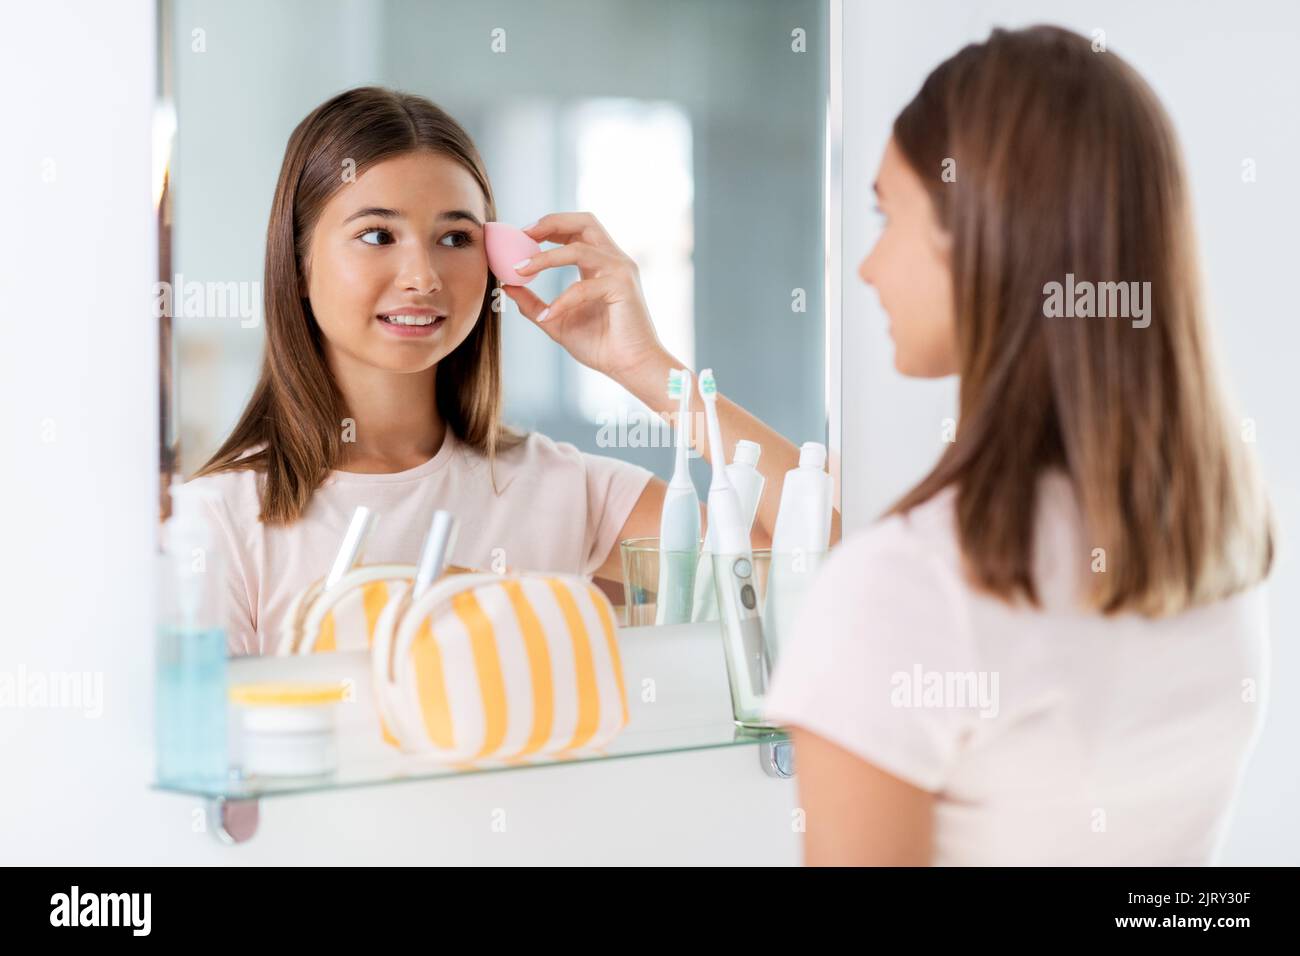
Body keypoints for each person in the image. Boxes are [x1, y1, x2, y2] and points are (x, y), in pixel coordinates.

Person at [764, 26, 1274, 866]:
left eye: (887, 216)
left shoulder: (908, 588)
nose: (867, 267)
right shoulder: (1212, 535)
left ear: (986, 239)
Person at [188, 86, 837, 655]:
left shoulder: (557, 486)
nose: (422, 277)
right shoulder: (222, 520)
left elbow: (826, 560)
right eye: (378, 236)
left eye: (455, 239)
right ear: (298, 264)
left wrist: (647, 369)